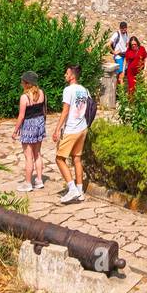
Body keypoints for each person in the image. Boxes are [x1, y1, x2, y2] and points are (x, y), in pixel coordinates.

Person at [52, 64, 89, 203]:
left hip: (72, 129)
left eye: (66, 73)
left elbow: (65, 110)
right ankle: (80, 191)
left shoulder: (68, 90)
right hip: (82, 127)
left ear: (72, 75)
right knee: (77, 158)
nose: (65, 75)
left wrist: (57, 129)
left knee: (59, 158)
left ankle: (72, 188)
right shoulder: (84, 90)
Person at [12, 71, 46, 191]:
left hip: (29, 126)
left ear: (27, 83)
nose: (21, 83)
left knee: (28, 156)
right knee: (37, 154)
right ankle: (39, 180)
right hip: (40, 124)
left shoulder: (24, 97)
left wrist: (15, 131)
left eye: (22, 81)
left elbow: (21, 116)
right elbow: (44, 110)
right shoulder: (41, 93)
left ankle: (27, 183)